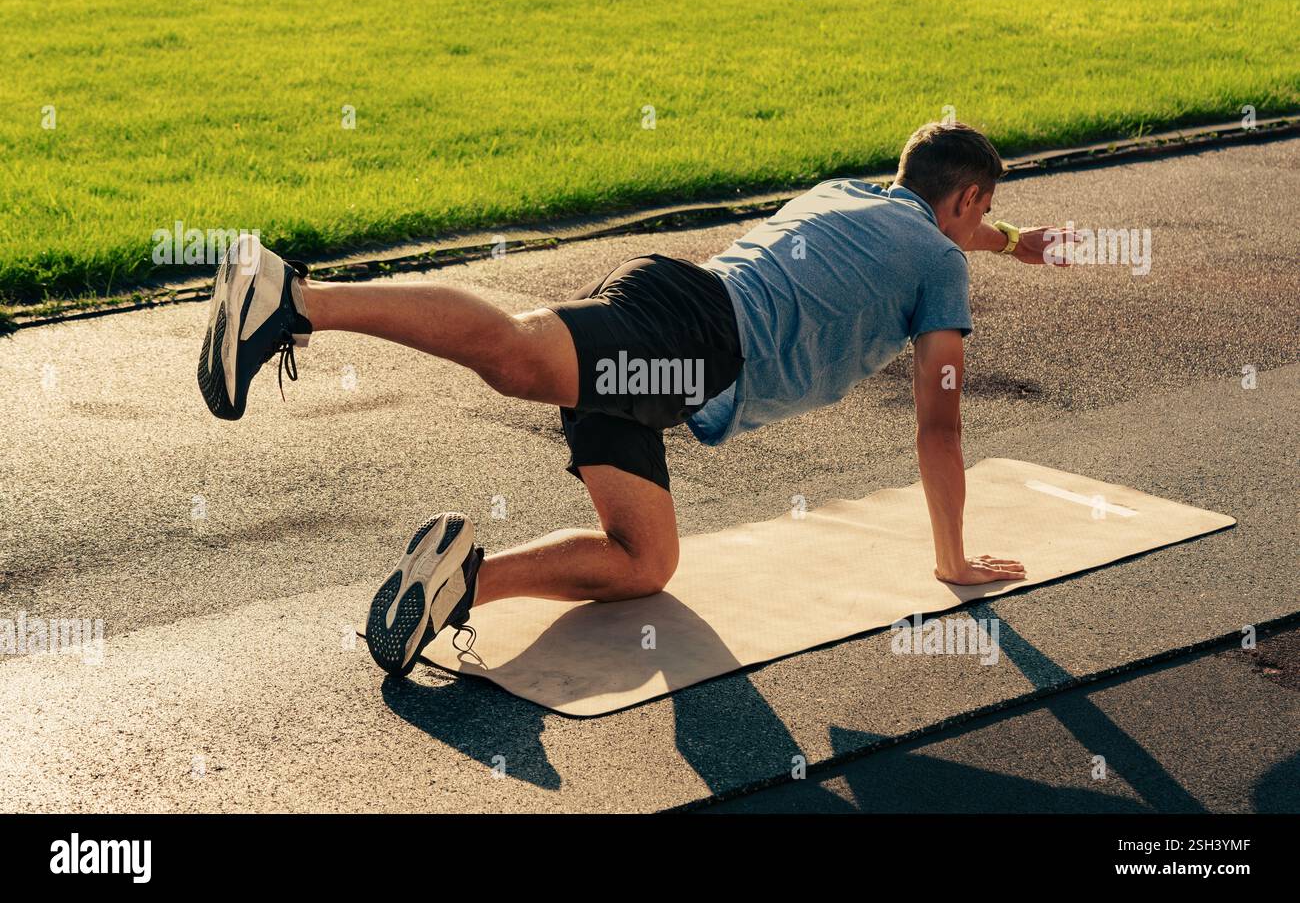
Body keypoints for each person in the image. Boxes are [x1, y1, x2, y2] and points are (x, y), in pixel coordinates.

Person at [197, 121, 1071, 677]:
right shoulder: (940, 263)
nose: (981, 230)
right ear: (966, 198)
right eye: (983, 214)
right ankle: (296, 300)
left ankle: (458, 582)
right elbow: (940, 423)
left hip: (677, 352)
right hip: (692, 339)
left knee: (644, 562)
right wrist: (952, 560)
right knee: (516, 359)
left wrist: (1012, 241)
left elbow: (950, 219)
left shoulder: (858, 193)